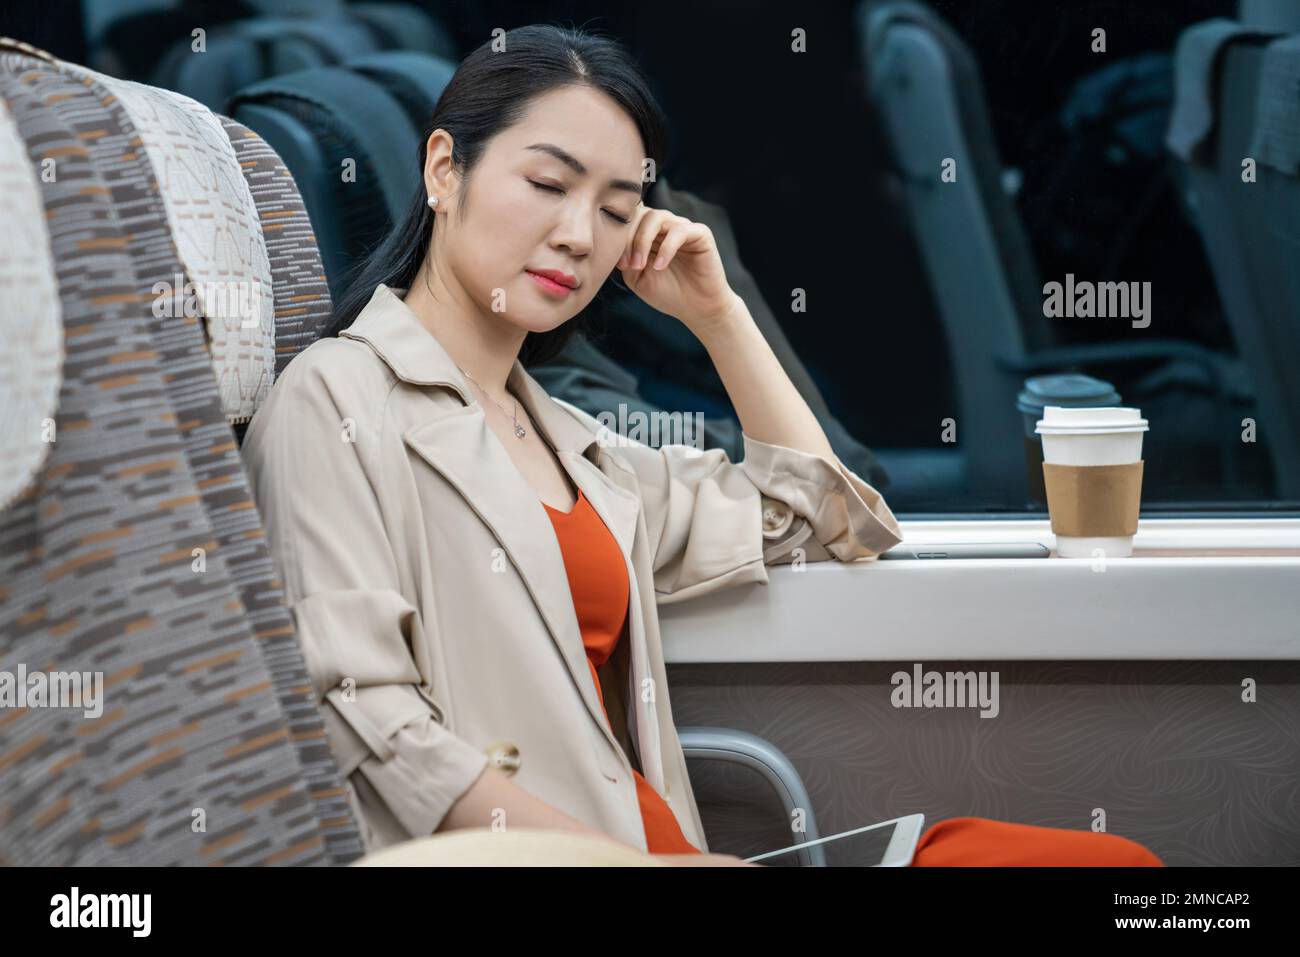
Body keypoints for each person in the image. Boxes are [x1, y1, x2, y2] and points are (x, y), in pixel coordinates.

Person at [241, 23, 1161, 867]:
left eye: (614, 208)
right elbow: (359, 717)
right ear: (444, 169)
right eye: (548, 184)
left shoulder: (569, 440)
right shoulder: (334, 398)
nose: (577, 234)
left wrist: (721, 319)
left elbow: (826, 511)